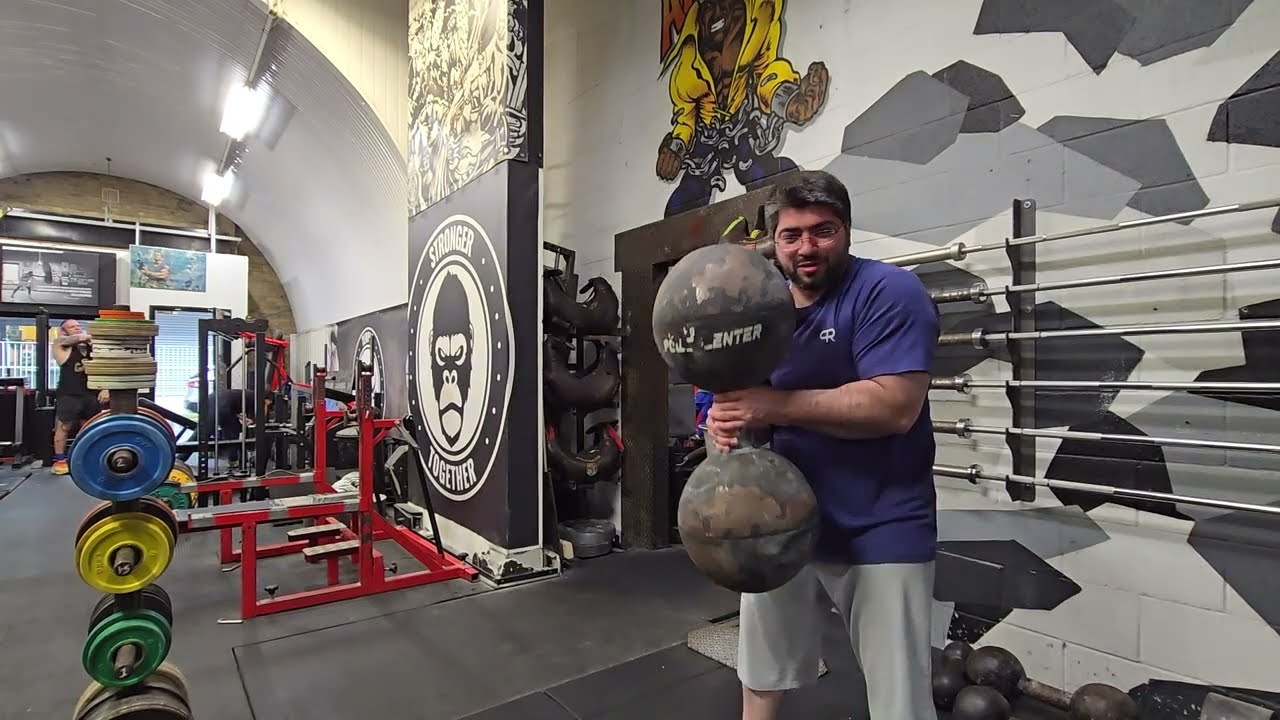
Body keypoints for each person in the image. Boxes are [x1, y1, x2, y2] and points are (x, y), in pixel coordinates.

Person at [704, 170, 940, 720]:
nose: (806, 247)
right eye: (792, 235)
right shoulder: (760, 311)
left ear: (847, 230)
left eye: (823, 231)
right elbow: (731, 398)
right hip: (780, 517)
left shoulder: (889, 292)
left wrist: (771, 406)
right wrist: (722, 423)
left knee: (900, 696)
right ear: (775, 241)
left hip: (879, 522)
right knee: (760, 668)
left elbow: (894, 406)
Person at [51, 319, 108, 475]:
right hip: (69, 393)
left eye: (78, 326)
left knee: (89, 427)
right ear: (63, 331)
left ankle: (84, 458)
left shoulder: (91, 347)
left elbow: (102, 369)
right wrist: (89, 336)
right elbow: (74, 339)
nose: (77, 328)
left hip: (91, 394)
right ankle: (60, 461)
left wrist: (105, 388)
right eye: (72, 327)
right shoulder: (60, 344)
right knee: (64, 426)